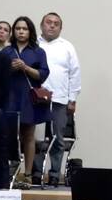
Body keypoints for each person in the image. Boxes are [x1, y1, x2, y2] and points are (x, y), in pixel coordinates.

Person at [34, 11, 80, 186]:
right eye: (48, 22)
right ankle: (36, 174)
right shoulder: (34, 44)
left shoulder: (67, 46)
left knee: (58, 139)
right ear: (41, 25)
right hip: (36, 100)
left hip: (60, 100)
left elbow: (75, 74)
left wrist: (73, 98)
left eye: (56, 23)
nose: (52, 25)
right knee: (38, 140)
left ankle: (54, 174)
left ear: (60, 28)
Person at [1, 16, 50, 183]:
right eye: (18, 28)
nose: (21, 31)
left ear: (30, 31)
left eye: (25, 29)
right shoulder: (6, 51)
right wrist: (9, 68)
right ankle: (9, 173)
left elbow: (42, 75)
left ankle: (27, 174)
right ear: (13, 32)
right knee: (8, 135)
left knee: (28, 135)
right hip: (9, 97)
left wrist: (25, 67)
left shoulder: (38, 51)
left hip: (29, 98)